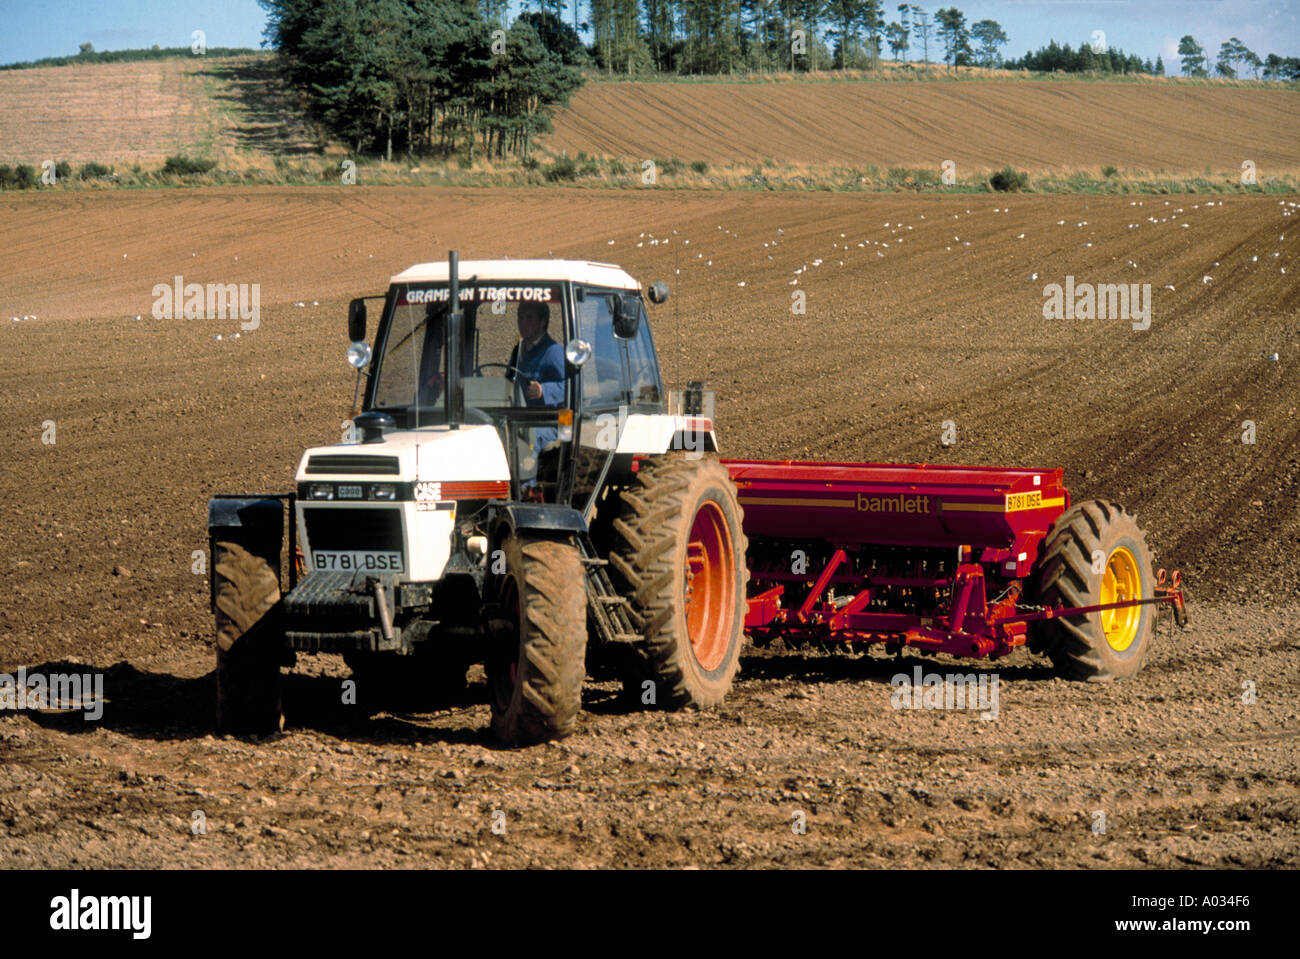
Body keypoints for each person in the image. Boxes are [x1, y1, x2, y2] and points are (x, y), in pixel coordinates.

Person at [507, 301, 565, 408]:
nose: (522, 323)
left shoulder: (553, 351)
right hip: (515, 415)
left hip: (541, 419)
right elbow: (508, 382)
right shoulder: (518, 350)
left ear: (543, 321)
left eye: (529, 318)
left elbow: (570, 386)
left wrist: (543, 390)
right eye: (520, 317)